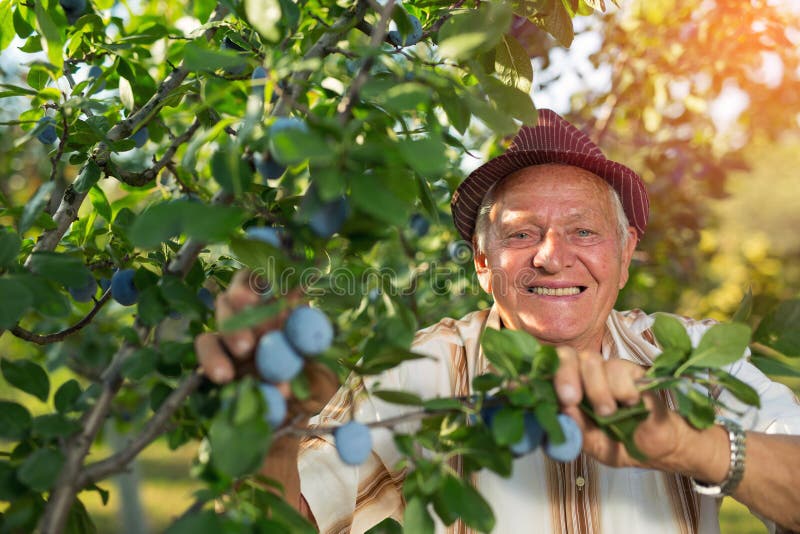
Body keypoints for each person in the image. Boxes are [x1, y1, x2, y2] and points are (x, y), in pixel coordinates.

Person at [195, 109, 800, 533]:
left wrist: (692, 446)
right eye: (521, 233)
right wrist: (271, 429)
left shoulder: (693, 360)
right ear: (484, 263)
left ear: (623, 255)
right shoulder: (421, 372)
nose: (551, 254)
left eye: (583, 231)